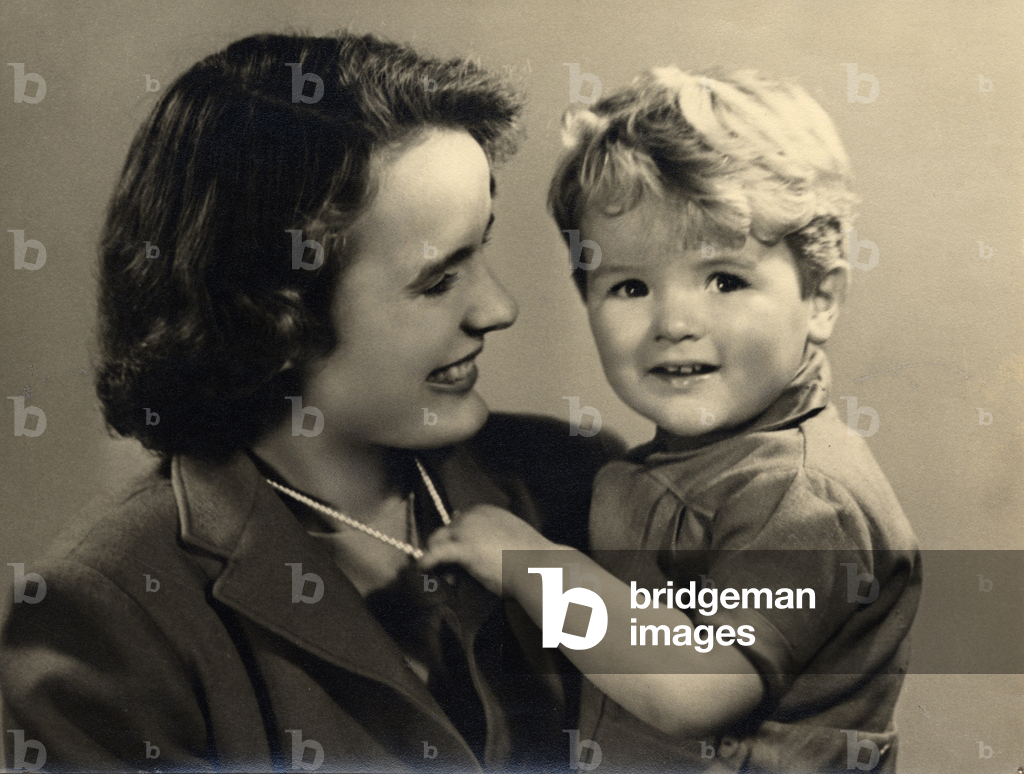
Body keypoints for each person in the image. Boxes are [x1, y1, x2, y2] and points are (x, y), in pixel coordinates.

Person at [0, 33, 620, 772]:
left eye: (481, 250)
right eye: (437, 280)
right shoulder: (113, 613)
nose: (499, 308)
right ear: (274, 310)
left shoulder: (578, 481)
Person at [422, 68, 922, 773]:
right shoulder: (695, 462)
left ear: (821, 298)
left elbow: (692, 689)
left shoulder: (803, 496)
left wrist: (533, 566)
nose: (675, 323)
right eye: (630, 286)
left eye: (725, 280)